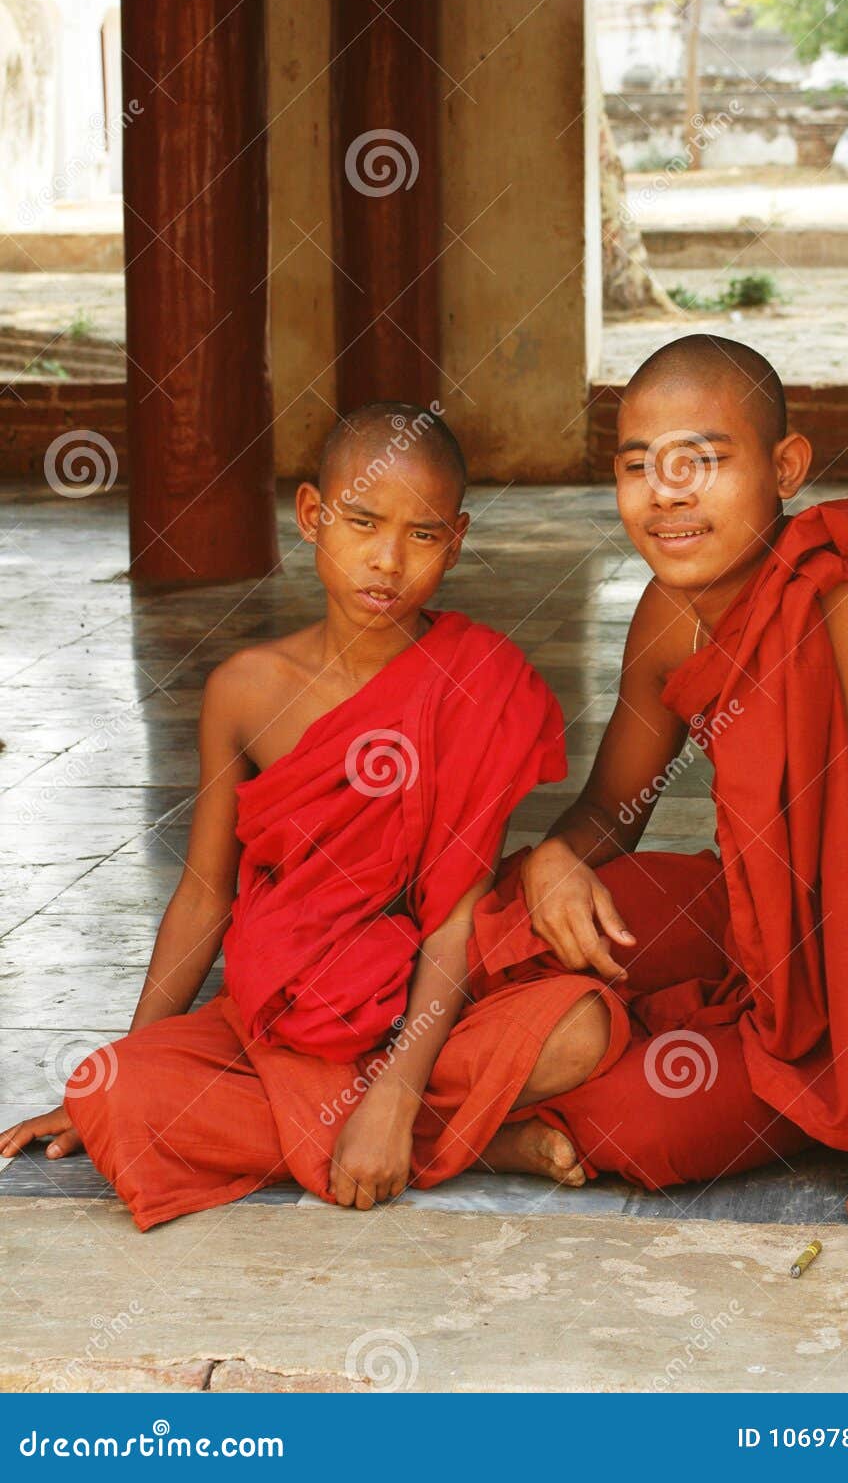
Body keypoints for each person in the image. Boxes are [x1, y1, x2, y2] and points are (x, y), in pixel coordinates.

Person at [0, 403, 626, 1229]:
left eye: (424, 535)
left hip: (429, 1008)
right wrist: (123, 1060)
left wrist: (396, 1095)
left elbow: (458, 917)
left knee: (580, 1028)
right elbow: (201, 898)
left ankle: (403, 1125)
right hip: (293, 1023)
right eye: (362, 522)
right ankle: (478, 1136)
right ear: (311, 516)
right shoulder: (245, 690)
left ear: (459, 538)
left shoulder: (480, 684)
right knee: (119, 1096)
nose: (387, 560)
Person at [473, 335, 848, 1240]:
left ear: (785, 467)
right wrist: (553, 861)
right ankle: (521, 1067)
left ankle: (502, 1100)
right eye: (637, 467)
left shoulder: (845, 591)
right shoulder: (671, 612)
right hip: (755, 923)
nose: (666, 493)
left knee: (643, 1124)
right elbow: (610, 814)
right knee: (498, 923)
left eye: (702, 461)